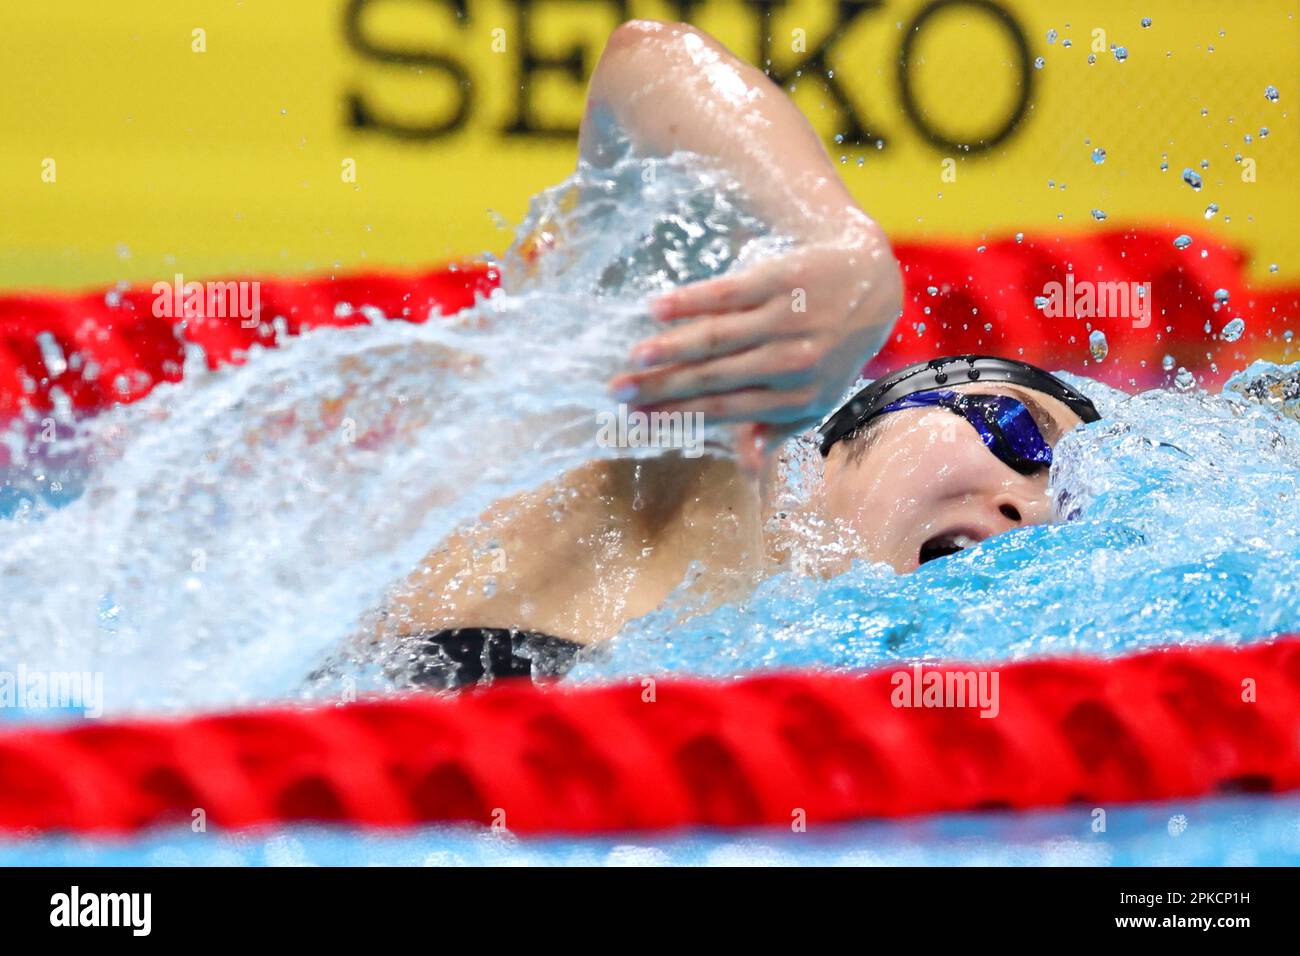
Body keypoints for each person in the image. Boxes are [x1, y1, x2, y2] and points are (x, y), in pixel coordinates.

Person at [370, 21, 1099, 689]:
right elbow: (646, 66)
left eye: (1063, 509)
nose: (1027, 507)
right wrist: (846, 254)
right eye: (1021, 436)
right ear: (843, 440)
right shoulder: (709, 463)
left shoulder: (795, 648)